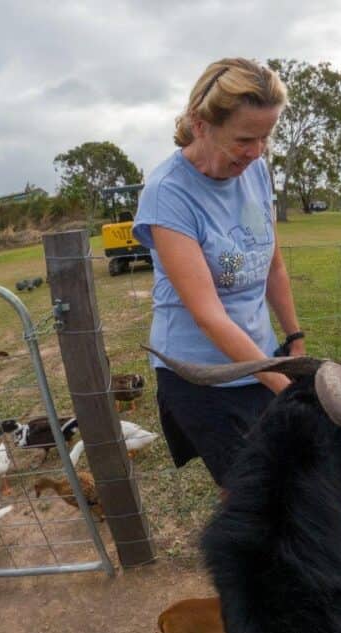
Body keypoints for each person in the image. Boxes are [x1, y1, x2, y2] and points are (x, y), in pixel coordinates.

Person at [132, 58, 305, 487]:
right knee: (252, 490)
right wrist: (283, 385)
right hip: (203, 375)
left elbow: (269, 263)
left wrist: (295, 341)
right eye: (245, 139)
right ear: (201, 124)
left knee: (288, 473)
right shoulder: (168, 194)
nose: (257, 151)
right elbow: (209, 314)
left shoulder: (256, 172)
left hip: (261, 356)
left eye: (265, 137)